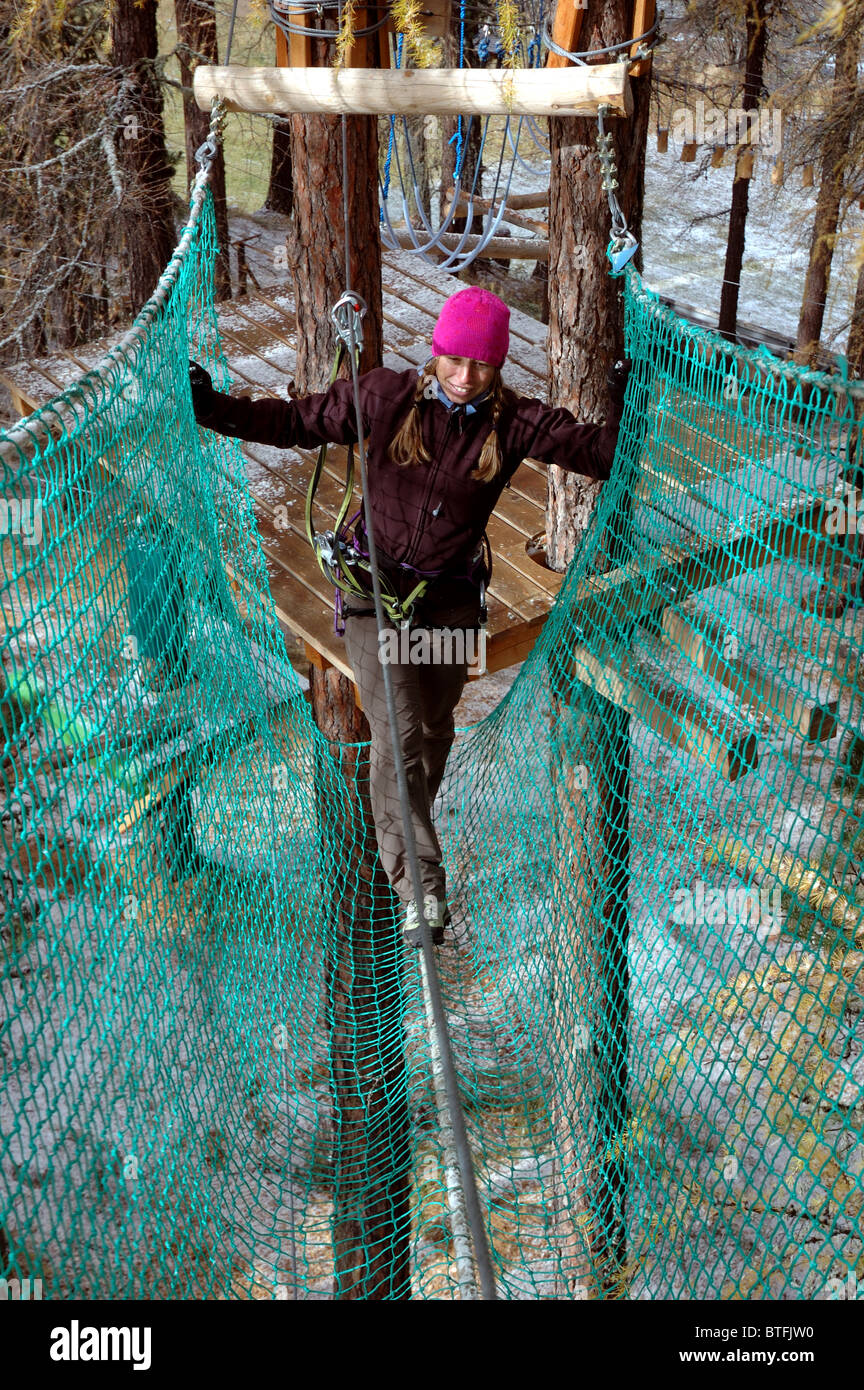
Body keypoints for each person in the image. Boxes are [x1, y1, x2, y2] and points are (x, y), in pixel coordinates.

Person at [189, 286, 630, 947]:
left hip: (448, 605)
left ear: (499, 365)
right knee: (396, 735)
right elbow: (291, 423)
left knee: (432, 730)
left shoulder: (511, 423)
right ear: (436, 350)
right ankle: (421, 890)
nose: (463, 377)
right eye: (453, 359)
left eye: (480, 365)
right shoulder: (385, 398)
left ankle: (403, 829)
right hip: (373, 594)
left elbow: (599, 453)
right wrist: (208, 407)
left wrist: (632, 390)